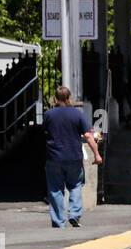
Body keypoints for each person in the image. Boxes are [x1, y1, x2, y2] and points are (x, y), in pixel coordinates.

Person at [42, 87, 101, 229]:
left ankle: (59, 222)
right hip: (74, 157)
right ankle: (74, 215)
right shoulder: (77, 114)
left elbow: (44, 132)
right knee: (75, 186)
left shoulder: (49, 114)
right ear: (70, 98)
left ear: (55, 98)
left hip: (54, 157)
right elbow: (88, 135)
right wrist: (97, 154)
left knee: (55, 190)